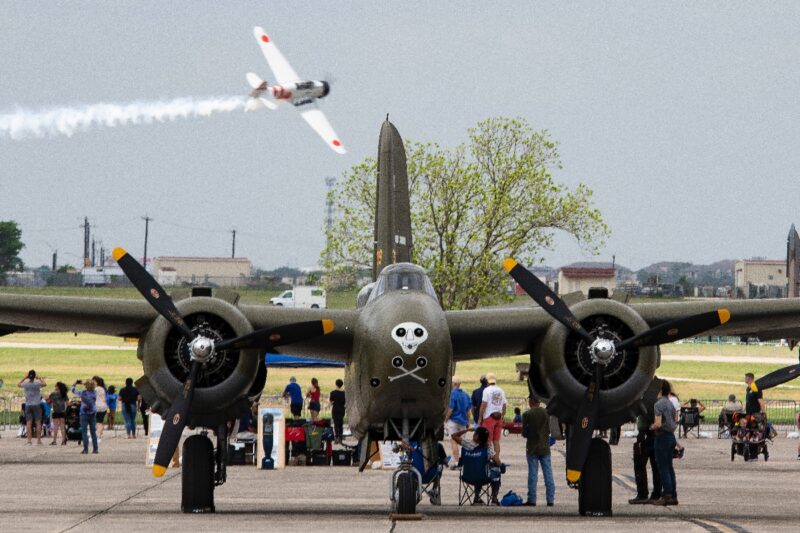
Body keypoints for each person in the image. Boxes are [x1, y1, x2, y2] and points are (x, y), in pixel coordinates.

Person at [451, 426, 502, 505]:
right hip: (483, 477)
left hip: (467, 476)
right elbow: (498, 462)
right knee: (496, 470)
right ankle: (494, 499)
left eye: (474, 433)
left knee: (478, 470)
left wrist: (467, 430)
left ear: (476, 436)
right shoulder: (487, 449)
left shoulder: (467, 444)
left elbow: (453, 436)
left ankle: (477, 498)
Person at [521, 397, 555, 507]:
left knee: (533, 474)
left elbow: (524, 433)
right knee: (548, 474)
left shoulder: (527, 414)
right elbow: (549, 430)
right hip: (545, 447)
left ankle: (532, 499)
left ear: (531, 402)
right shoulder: (547, 413)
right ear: (539, 402)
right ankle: (550, 500)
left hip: (532, 448)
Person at [651, 380, 678, 505]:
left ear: (660, 390)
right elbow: (674, 420)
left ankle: (667, 495)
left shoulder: (659, 404)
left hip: (662, 437)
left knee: (663, 468)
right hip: (671, 436)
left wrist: (651, 427)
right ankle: (673, 495)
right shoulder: (670, 403)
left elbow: (657, 423)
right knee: (669, 467)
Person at [629, 410, 661, 504]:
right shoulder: (658, 404)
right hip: (654, 435)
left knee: (639, 465)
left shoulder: (647, 405)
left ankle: (643, 494)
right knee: (656, 467)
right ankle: (656, 494)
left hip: (646, 435)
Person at [478, 372, 507, 462]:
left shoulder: (486, 390)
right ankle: (497, 458)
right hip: (499, 417)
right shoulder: (501, 390)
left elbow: (483, 405)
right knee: (496, 441)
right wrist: (503, 416)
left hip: (489, 417)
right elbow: (504, 405)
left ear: (487, 381)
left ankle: (489, 458)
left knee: (488, 440)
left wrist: (480, 417)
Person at [445, 376, 472, 468]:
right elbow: (468, 411)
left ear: (454, 384)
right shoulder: (465, 394)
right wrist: (468, 422)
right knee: (462, 443)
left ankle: (457, 462)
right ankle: (462, 461)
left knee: (454, 442)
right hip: (463, 422)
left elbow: (451, 409)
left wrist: (445, 419)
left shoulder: (452, 394)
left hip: (453, 421)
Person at [17, 369, 46, 446]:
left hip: (28, 404)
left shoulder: (26, 384)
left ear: (28, 376)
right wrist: (39, 378)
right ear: (34, 376)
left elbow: (18, 384)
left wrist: (24, 377)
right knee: (38, 423)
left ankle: (29, 441)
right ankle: (38, 441)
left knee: (28, 423)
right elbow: (45, 384)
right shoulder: (37, 384)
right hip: (37, 404)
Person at [72, 379, 99, 454]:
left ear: (86, 386)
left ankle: (86, 449)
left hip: (84, 413)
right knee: (93, 432)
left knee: (84, 432)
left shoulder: (83, 393)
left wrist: (75, 383)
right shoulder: (95, 392)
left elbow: (73, 390)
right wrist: (87, 383)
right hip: (92, 413)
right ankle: (95, 449)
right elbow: (91, 386)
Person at [329, 379, 346, 444]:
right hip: (342, 410)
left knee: (336, 424)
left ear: (336, 384)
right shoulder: (344, 393)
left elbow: (331, 402)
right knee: (341, 424)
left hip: (335, 409)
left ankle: (336, 438)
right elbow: (345, 403)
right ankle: (340, 438)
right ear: (342, 385)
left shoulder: (332, 393)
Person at [93, 376, 108, 441]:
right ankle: (100, 434)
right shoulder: (103, 388)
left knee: (98, 422)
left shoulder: (95, 389)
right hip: (104, 406)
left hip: (97, 407)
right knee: (100, 421)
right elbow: (104, 399)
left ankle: (98, 436)